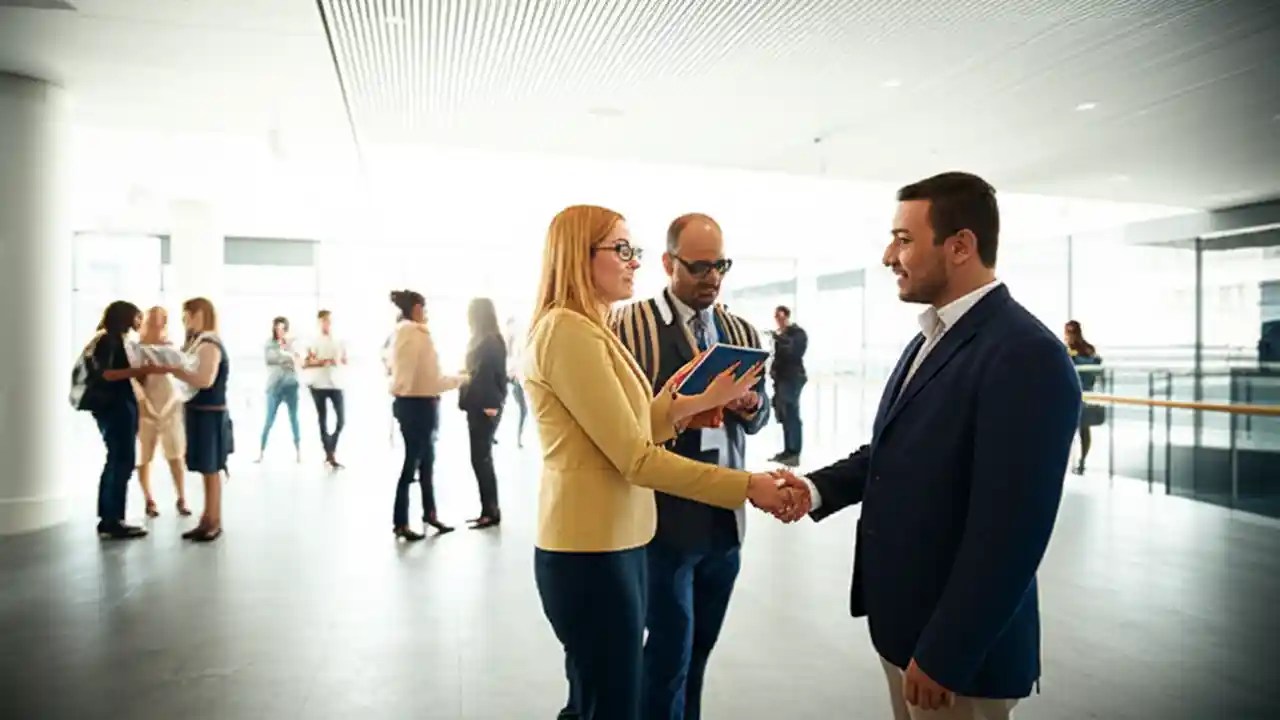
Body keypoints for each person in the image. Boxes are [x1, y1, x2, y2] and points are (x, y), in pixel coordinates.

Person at [780, 172, 1080, 719]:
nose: (888, 256)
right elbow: (893, 452)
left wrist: (947, 652)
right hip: (907, 629)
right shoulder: (932, 335)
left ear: (960, 246)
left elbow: (1012, 532)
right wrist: (813, 488)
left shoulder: (1025, 355)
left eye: (904, 239)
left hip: (956, 658)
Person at [525, 204, 804, 720]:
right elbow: (634, 458)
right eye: (622, 249)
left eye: (634, 250)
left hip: (616, 538)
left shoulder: (592, 326)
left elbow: (626, 432)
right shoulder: (570, 331)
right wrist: (747, 485)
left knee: (609, 693)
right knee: (613, 698)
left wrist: (697, 402)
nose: (632, 261)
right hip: (595, 546)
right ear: (577, 255)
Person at [612, 212, 769, 720]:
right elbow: (621, 425)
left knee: (699, 650)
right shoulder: (627, 327)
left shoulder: (741, 330)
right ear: (667, 263)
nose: (712, 278)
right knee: (667, 654)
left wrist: (750, 407)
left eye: (720, 265)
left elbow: (760, 415)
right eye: (699, 266)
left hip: (724, 518)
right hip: (660, 520)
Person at [82, 301, 173, 539]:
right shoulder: (110, 340)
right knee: (121, 460)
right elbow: (108, 374)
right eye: (137, 317)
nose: (139, 321)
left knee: (117, 460)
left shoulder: (108, 339)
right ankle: (113, 520)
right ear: (125, 317)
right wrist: (142, 371)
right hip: (115, 407)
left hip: (116, 406)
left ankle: (110, 518)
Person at [388, 289, 464, 540]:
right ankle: (402, 522)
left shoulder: (400, 334)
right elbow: (432, 380)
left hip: (408, 405)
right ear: (418, 308)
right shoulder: (418, 336)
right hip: (420, 407)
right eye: (425, 308)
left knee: (424, 463)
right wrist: (462, 379)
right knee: (414, 465)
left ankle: (428, 515)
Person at [170, 297, 232, 543]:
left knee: (211, 468)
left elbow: (204, 380)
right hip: (199, 411)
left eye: (186, 315)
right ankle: (207, 520)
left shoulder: (210, 343)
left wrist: (172, 370)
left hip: (210, 412)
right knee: (207, 468)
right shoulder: (198, 343)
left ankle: (213, 521)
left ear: (197, 314)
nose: (184, 321)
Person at [133, 306, 190, 518]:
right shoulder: (136, 349)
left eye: (160, 322)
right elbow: (133, 380)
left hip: (170, 410)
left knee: (175, 455)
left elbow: (181, 379)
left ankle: (182, 497)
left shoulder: (172, 349)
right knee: (144, 457)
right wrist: (144, 404)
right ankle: (149, 499)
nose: (156, 326)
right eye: (152, 321)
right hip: (144, 411)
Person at [459, 298, 507, 529]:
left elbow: (492, 375)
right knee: (479, 458)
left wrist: (491, 404)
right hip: (476, 404)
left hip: (485, 406)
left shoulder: (490, 341)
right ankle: (487, 508)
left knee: (482, 458)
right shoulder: (481, 340)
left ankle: (491, 510)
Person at [304, 309, 347, 469]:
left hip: (336, 383)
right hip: (318, 384)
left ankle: (331, 448)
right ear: (319, 322)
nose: (326, 324)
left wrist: (339, 361)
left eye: (329, 321)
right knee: (322, 419)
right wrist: (323, 362)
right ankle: (329, 453)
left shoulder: (339, 340)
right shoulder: (313, 341)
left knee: (341, 420)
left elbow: (343, 359)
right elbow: (306, 362)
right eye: (324, 321)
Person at [257, 316, 302, 463]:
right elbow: (270, 359)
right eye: (277, 328)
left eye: (282, 328)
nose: (279, 331)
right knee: (269, 420)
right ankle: (261, 453)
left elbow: (297, 360)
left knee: (294, 418)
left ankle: (298, 452)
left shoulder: (291, 344)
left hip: (291, 385)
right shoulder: (269, 344)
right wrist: (287, 357)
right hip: (274, 386)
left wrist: (287, 354)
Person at [769, 305, 807, 466]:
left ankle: (794, 452)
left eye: (781, 317)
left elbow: (794, 351)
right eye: (777, 317)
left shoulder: (797, 334)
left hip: (792, 379)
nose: (779, 320)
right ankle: (787, 451)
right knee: (784, 414)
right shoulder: (782, 335)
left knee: (792, 413)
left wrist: (779, 339)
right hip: (781, 379)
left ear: (787, 316)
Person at [1065, 320, 1103, 474]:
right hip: (1083, 393)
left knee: (1082, 429)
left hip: (1082, 394)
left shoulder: (1082, 351)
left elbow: (1094, 367)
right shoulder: (1082, 350)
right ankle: (1078, 461)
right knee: (1080, 430)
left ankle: (1081, 461)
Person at [504, 317, 528, 448]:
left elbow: (519, 362)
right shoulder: (504, 343)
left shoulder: (517, 343)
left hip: (515, 379)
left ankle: (519, 439)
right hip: (508, 378)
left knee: (523, 410)